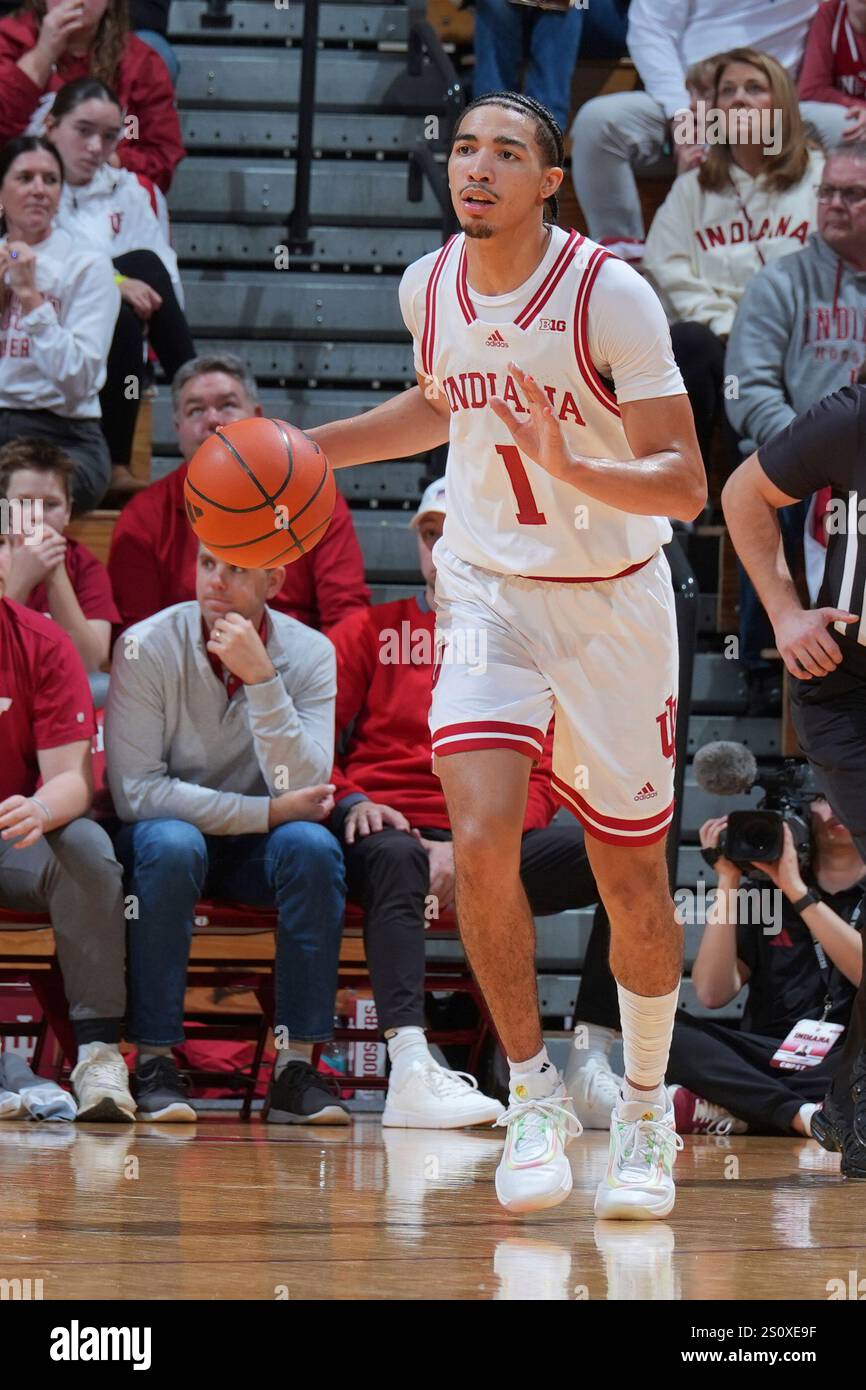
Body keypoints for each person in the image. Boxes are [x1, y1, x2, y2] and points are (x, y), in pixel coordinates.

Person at [307, 90, 706, 1218]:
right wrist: (300, 447)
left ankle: (641, 1107)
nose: (476, 167)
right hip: (487, 590)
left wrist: (570, 463)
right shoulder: (426, 285)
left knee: (630, 875)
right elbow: (438, 407)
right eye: (465, 148)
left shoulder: (608, 294)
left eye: (506, 152)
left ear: (549, 183)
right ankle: (530, 1093)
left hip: (613, 600)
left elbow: (684, 483)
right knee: (480, 841)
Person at [330, 477, 623, 1129]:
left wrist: (475, 850)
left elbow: (545, 771)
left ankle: (589, 1059)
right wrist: (351, 798)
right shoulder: (368, 632)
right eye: (430, 536)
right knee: (398, 857)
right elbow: (309, 744)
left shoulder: (527, 642)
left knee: (619, 851)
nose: (440, 551)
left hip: (491, 834)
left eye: (456, 535)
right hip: (391, 827)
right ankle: (410, 1065)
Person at [105, 542, 349, 1125]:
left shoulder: (312, 653)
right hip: (166, 840)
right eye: (207, 563)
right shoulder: (144, 645)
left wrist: (263, 679)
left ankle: (294, 1068)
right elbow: (136, 794)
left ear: (275, 582)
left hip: (256, 850)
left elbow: (306, 784)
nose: (216, 580)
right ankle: (154, 1062)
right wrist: (265, 813)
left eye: (236, 569)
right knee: (173, 844)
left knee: (314, 849)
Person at [722, 382, 866, 1175]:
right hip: (848, 686)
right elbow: (742, 493)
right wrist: (782, 612)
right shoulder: (853, 418)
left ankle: (848, 1110)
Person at [0, 519, 134, 1121]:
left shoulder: (44, 643)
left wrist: (40, 806)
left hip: (12, 835)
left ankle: (99, 1056)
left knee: (86, 848)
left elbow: (72, 780)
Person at [725, 141, 866, 710]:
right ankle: (767, 663)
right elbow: (746, 389)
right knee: (772, 494)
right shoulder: (779, 281)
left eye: (852, 194)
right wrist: (812, 454)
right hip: (801, 460)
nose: (834, 204)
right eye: (827, 191)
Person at [643, 48, 823, 471]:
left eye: (754, 88)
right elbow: (665, 267)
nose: (739, 98)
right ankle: (689, 489)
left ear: (781, 103)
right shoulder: (693, 189)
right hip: (723, 345)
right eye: (728, 91)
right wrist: (728, 327)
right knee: (690, 341)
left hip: (800, 343)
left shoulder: (821, 176)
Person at [107, 354, 371, 634]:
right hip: (183, 661)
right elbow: (138, 634)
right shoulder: (144, 515)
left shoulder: (312, 496)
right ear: (178, 429)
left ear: (257, 416)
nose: (212, 420)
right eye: (195, 410)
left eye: (227, 405)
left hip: (294, 659)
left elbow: (346, 617)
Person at [570, 0, 842, 261]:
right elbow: (651, 29)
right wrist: (680, 112)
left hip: (778, 106)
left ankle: (835, 263)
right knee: (599, 122)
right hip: (688, 97)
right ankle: (622, 264)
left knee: (844, 127)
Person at [667, 805, 864, 1148]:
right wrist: (728, 880)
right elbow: (713, 992)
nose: (835, 806)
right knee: (667, 1033)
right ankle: (804, 1115)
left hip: (844, 1058)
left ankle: (740, 1108)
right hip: (767, 1055)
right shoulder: (765, 893)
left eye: (842, 793)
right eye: (822, 797)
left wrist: (797, 892)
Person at [45, 77, 195, 495]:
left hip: (119, 341)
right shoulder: (25, 183)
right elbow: (27, 257)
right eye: (84, 131)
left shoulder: (130, 190)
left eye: (110, 136)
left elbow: (163, 280)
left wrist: (118, 287)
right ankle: (196, 391)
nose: (96, 147)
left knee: (136, 286)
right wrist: (113, 283)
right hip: (45, 328)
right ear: (51, 125)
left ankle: (196, 393)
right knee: (123, 299)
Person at [0, 134, 119, 512]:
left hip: (63, 436)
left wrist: (31, 299)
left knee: (30, 501)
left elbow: (77, 380)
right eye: (25, 178)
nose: (39, 189)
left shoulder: (87, 265)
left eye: (50, 180)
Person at [0, 0, 184, 194]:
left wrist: (105, 160)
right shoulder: (8, 40)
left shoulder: (142, 62)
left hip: (105, 199)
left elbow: (162, 159)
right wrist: (43, 53)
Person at [0, 437, 118, 669]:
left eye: (50, 505)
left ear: (68, 512)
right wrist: (20, 582)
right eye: (24, 503)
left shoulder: (85, 566)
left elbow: (91, 662)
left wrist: (56, 574)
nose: (37, 516)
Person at [472, 0, 629, 132]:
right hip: (524, 12)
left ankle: (543, 132)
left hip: (601, 10)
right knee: (494, 3)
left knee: (565, 4)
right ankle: (489, 123)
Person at [800, 0, 866, 140]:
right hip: (852, 115)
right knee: (845, 126)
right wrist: (859, 106)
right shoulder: (831, 12)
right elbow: (811, 90)